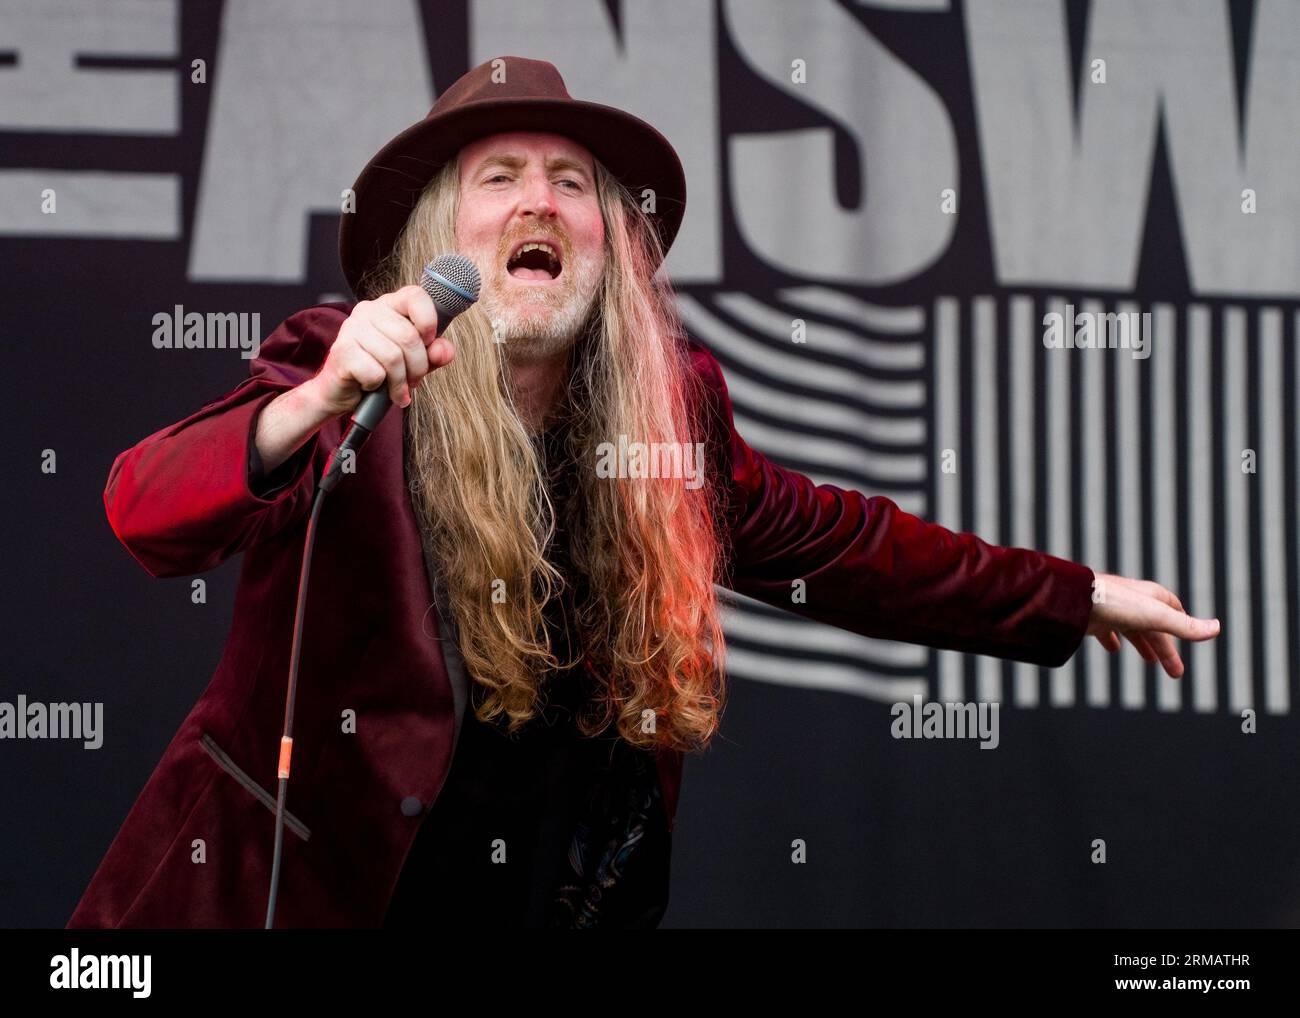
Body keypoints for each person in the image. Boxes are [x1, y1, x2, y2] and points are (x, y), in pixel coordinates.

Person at [68, 55, 1220, 930]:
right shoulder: (344, 374)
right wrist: (314, 402)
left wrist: (1075, 597)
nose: (540, 203)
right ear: (438, 233)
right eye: (500, 177)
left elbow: (850, 547)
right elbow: (143, 509)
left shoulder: (672, 418)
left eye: (573, 184)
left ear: (612, 241)